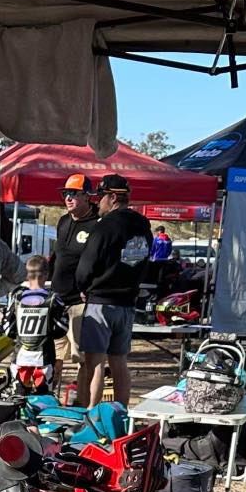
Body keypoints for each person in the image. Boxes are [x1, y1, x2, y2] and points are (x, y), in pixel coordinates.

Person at [70, 171, 152, 407]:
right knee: (119, 362)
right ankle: (121, 413)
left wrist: (83, 286)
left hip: (101, 302)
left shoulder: (106, 226)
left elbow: (86, 264)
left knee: (95, 363)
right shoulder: (143, 224)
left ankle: (94, 416)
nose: (98, 203)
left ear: (113, 198)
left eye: (101, 197)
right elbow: (145, 260)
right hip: (127, 303)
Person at [1, 253, 69, 399]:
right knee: (43, 399)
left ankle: (18, 421)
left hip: (20, 356)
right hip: (44, 357)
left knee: (17, 399)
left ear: (27, 274)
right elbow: (62, 328)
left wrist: (18, 335)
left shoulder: (17, 297)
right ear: (46, 274)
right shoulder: (53, 299)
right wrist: (49, 333)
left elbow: (7, 329)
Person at [49, 172, 97, 310]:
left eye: (74, 193)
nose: (68, 198)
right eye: (65, 193)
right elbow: (59, 256)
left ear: (87, 196)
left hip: (81, 301)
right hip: (57, 299)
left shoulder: (98, 223)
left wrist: (90, 288)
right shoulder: (63, 221)